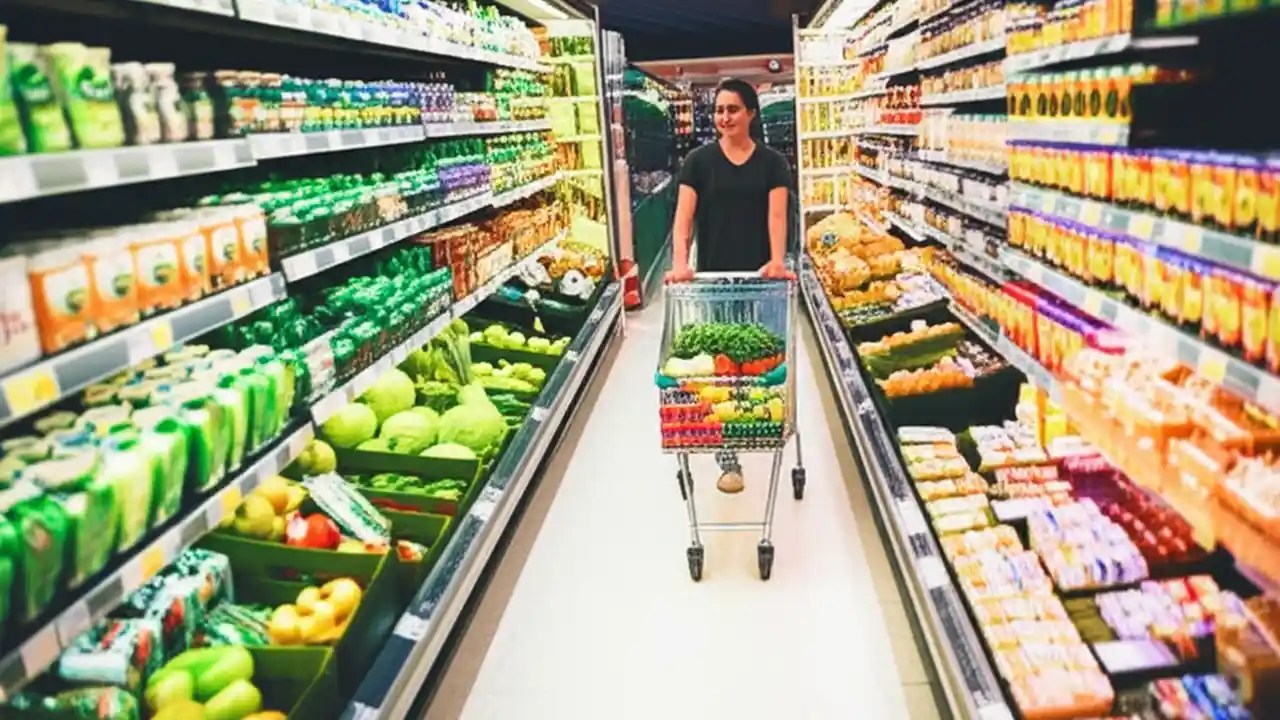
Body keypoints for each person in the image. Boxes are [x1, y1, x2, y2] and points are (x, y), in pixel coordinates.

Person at [665, 77, 793, 494]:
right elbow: (683, 220)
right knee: (723, 368)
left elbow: (777, 218)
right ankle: (729, 454)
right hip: (715, 282)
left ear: (751, 113)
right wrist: (681, 264)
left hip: (761, 282)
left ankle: (764, 424)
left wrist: (776, 260)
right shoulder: (698, 162)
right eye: (719, 110)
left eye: (733, 109)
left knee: (763, 361)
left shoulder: (773, 163)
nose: (724, 117)